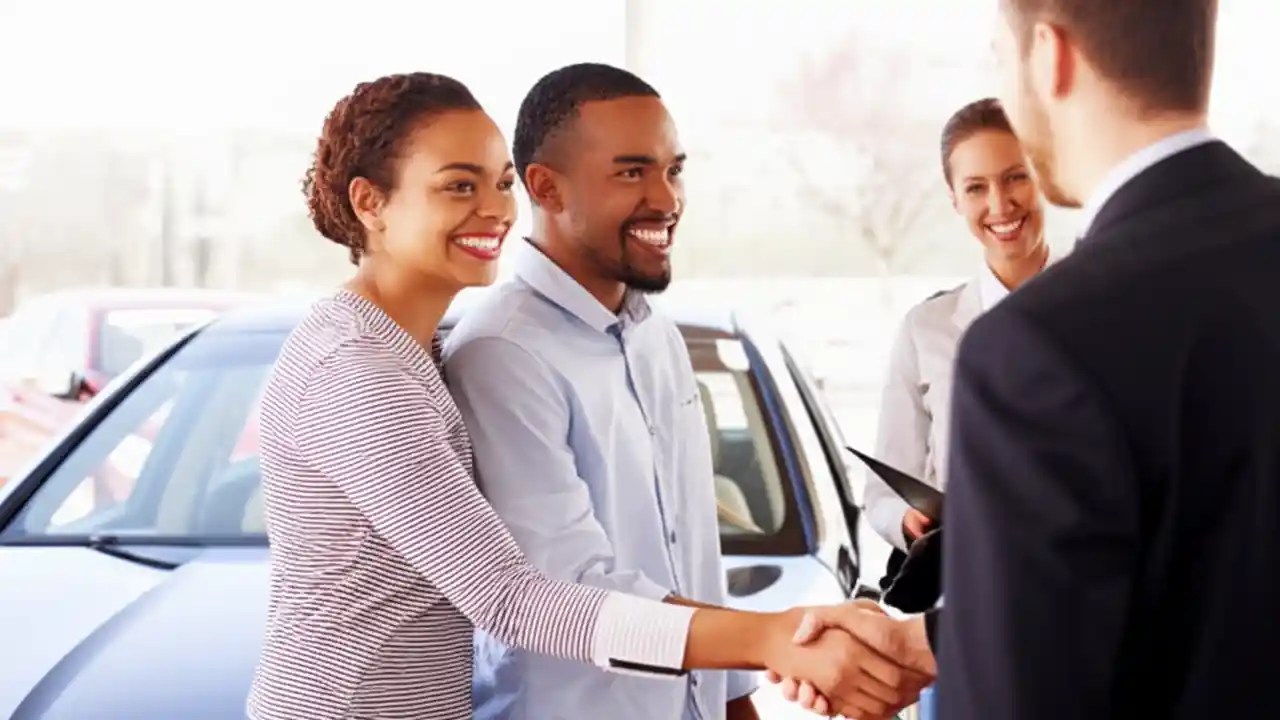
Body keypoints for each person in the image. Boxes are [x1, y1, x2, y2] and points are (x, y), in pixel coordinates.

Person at [246, 71, 928, 720]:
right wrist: (772, 637)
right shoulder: (359, 371)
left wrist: (742, 676)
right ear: (372, 203)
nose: (494, 210)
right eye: (458, 187)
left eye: (500, 183)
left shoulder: (403, 348)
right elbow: (513, 599)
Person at [801, 1, 1280, 718]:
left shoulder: (1038, 344)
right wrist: (929, 640)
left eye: (1001, 54)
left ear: (1049, 56)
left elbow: (1025, 692)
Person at [443, 63, 769, 720]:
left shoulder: (659, 337)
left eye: (673, 170)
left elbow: (694, 545)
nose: (666, 198)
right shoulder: (500, 352)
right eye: (632, 172)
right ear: (545, 187)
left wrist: (734, 700)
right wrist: (779, 641)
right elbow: (567, 588)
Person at [864, 97, 1052, 578]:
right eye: (976, 188)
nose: (1000, 205)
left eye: (1016, 177)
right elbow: (883, 494)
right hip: (965, 593)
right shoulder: (925, 329)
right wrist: (908, 523)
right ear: (955, 200)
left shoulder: (1104, 311)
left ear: (1044, 175)